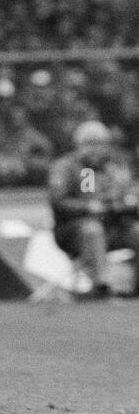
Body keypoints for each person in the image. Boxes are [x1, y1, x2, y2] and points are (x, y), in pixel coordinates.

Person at [48, 120, 139, 298]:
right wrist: (88, 206)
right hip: (74, 229)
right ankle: (102, 285)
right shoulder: (70, 168)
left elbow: (123, 194)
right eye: (91, 144)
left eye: (101, 144)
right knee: (93, 229)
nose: (97, 149)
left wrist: (126, 202)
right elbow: (60, 201)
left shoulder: (115, 167)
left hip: (113, 224)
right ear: (79, 145)